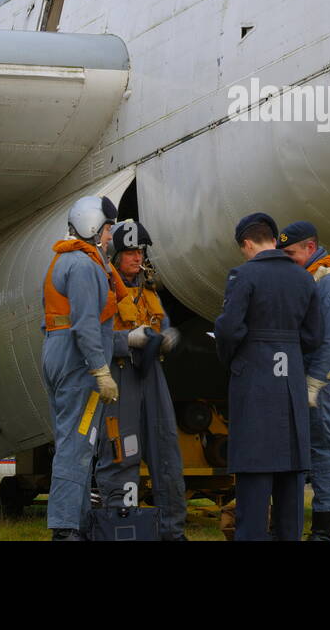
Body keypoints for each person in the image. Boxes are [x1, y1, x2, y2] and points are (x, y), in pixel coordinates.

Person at [214, 212, 323, 541]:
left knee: (253, 485)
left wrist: (234, 358)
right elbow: (314, 336)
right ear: (274, 240)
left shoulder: (242, 276)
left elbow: (229, 330)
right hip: (290, 382)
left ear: (247, 244)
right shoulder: (305, 278)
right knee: (290, 485)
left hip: (254, 383)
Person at [92, 218, 188, 540]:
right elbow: (92, 337)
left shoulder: (149, 291)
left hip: (153, 377)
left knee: (167, 453)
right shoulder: (102, 287)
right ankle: (121, 526)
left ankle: (173, 531)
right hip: (121, 378)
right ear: (116, 254)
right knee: (122, 453)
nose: (136, 257)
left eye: (139, 251)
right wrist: (124, 340)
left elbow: (163, 324)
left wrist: (169, 336)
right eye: (130, 251)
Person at [40, 194, 118, 541]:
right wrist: (101, 369)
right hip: (78, 362)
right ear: (91, 226)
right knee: (77, 445)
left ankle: (79, 522)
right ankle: (65, 528)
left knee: (74, 441)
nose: (109, 235)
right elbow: (87, 325)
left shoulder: (63, 261)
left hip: (59, 353)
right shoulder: (86, 266)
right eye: (106, 228)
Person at [278, 220, 330, 541]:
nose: (286, 259)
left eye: (291, 253)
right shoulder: (307, 278)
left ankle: (322, 532)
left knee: (325, 451)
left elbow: (329, 340)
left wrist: (313, 386)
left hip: (323, 382)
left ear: (310, 248)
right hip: (302, 379)